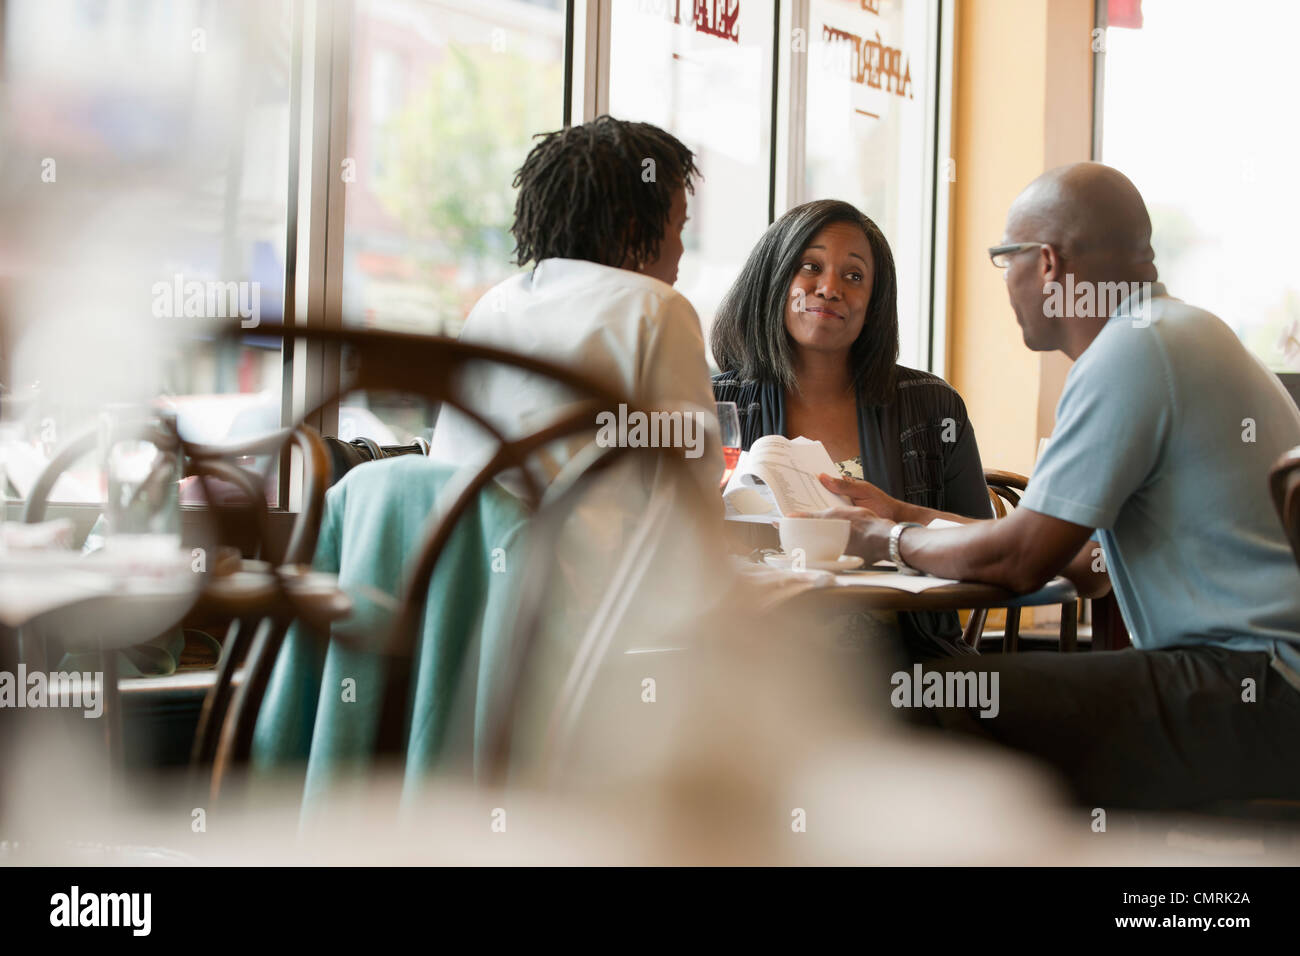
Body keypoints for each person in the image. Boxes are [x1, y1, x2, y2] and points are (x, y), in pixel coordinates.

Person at [815, 162, 1300, 809]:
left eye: (1002, 259)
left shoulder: (1133, 350)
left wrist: (888, 538)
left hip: (1257, 691)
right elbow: (1078, 560)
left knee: (913, 699)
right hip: (1261, 686)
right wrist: (903, 512)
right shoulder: (1174, 333)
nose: (1006, 281)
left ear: (1045, 263)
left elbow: (1020, 561)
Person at [710, 199, 992, 657]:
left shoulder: (932, 406)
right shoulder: (716, 406)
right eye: (810, 266)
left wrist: (898, 518)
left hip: (909, 671)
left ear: (874, 302)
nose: (829, 288)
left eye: (854, 276)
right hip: (758, 674)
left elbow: (989, 547)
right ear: (774, 278)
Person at [428, 115, 721, 496]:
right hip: (582, 556)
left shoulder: (493, 305)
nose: (682, 250)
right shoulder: (656, 308)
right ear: (635, 232)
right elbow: (691, 482)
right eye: (678, 228)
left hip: (461, 549)